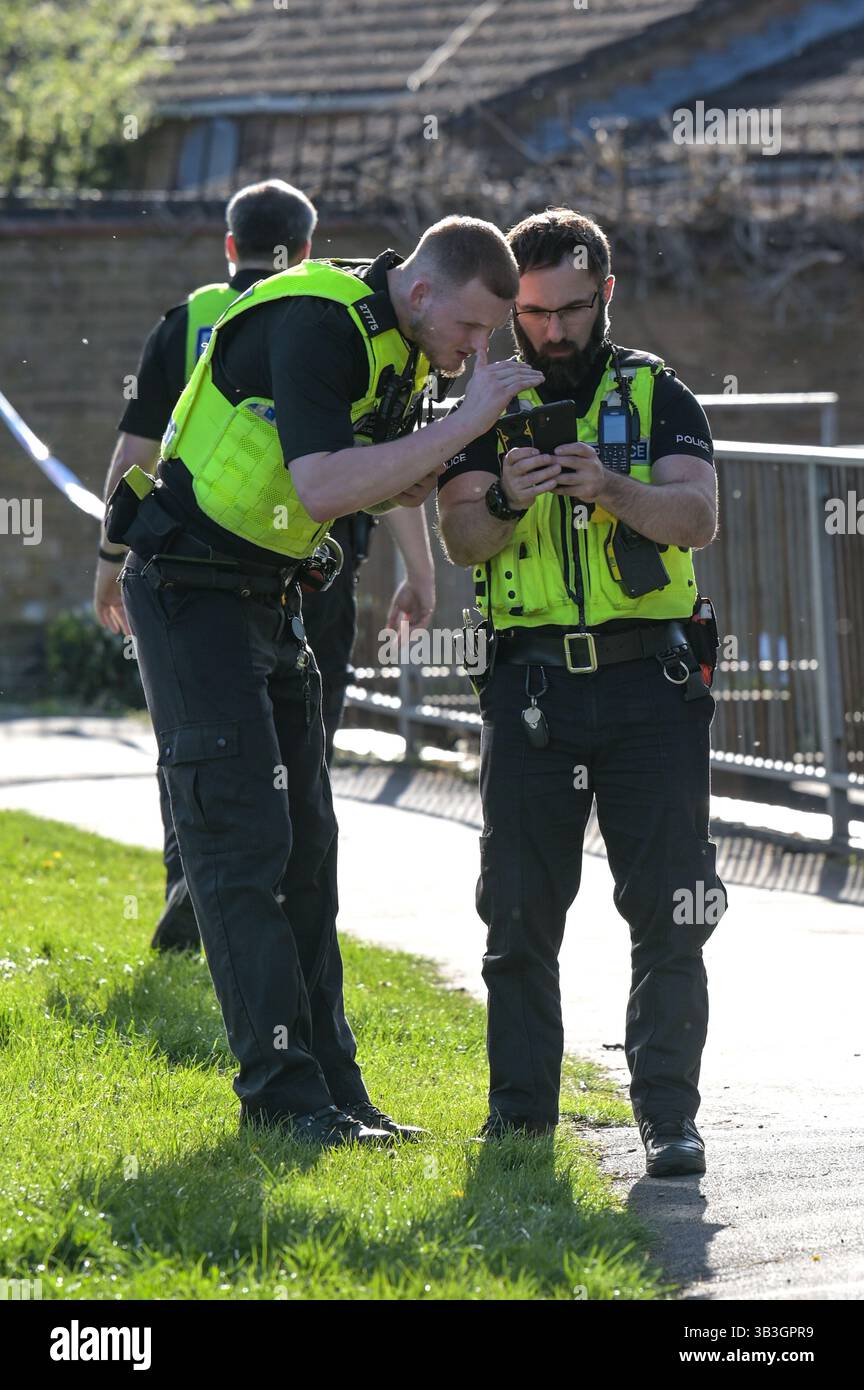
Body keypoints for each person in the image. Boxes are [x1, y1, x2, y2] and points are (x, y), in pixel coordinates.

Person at [104, 215, 544, 1148]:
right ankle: (279, 1095)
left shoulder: (405, 346)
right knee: (242, 843)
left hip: (269, 594)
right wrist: (462, 422)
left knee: (309, 848)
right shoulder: (319, 321)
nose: (476, 350)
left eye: (487, 338)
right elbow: (320, 488)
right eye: (470, 329)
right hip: (190, 588)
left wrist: (454, 460)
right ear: (422, 292)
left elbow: (377, 486)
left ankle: (337, 1093)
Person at [437, 207, 727, 1177]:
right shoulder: (484, 407)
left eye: (567, 310)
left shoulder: (659, 393)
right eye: (530, 313)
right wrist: (511, 495)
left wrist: (610, 489)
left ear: (604, 293)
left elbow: (698, 515)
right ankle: (520, 1123)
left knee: (673, 908)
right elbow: (462, 539)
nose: (549, 332)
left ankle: (670, 1118)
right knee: (517, 910)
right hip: (531, 689)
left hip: (651, 681)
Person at [94, 180, 435, 952]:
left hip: (198, 569)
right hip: (318, 569)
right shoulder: (342, 315)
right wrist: (422, 571)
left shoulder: (187, 322)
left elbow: (135, 453)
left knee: (198, 739)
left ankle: (196, 883)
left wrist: (110, 557)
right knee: (304, 747)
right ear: (307, 247)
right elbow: (385, 460)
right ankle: (286, 899)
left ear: (228, 245)